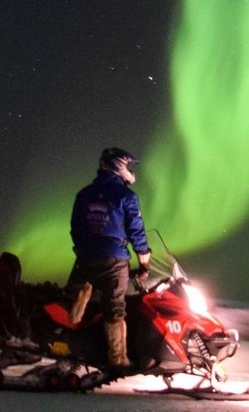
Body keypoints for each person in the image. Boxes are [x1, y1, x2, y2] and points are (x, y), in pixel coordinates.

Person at [67, 147, 151, 370]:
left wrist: (83, 249)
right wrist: (144, 260)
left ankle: (72, 350)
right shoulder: (127, 197)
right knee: (114, 308)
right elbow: (136, 231)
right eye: (129, 166)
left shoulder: (83, 194)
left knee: (79, 302)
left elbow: (75, 228)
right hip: (114, 260)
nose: (131, 171)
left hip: (86, 257)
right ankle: (117, 358)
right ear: (119, 166)